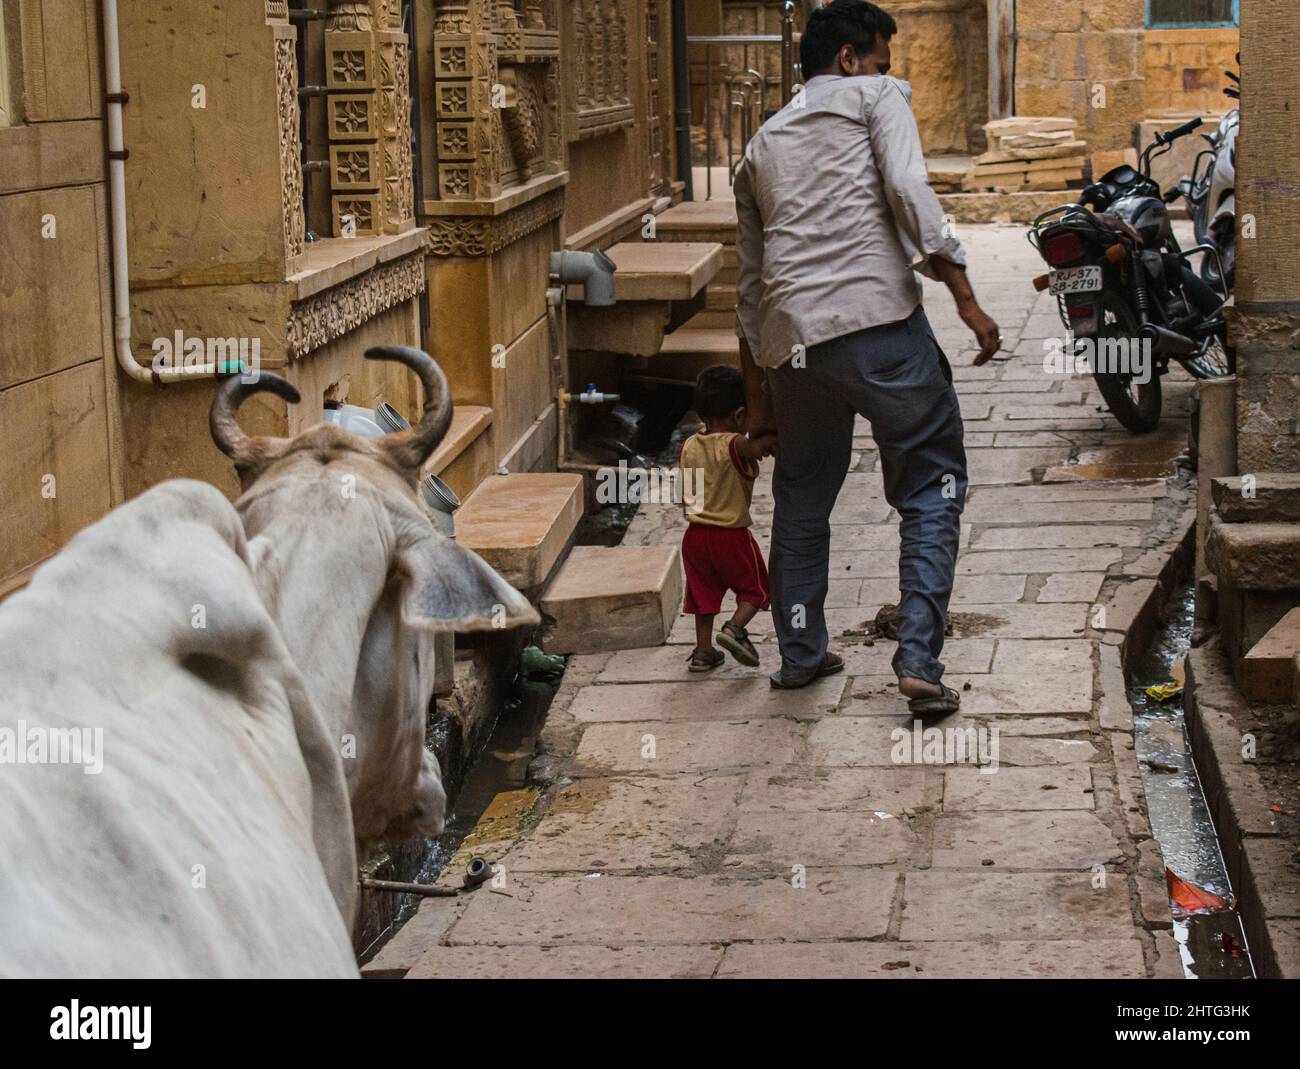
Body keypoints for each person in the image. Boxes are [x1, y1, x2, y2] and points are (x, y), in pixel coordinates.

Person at [733, 0, 1001, 710]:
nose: (891, 72)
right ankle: (917, 660)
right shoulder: (876, 96)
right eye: (884, 58)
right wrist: (966, 299)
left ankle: (799, 653)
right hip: (880, 327)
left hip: (793, 350)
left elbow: (749, 288)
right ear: (850, 59)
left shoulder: (761, 144)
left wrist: (759, 405)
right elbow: (911, 191)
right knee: (931, 481)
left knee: (801, 494)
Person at [678, 366, 776, 672]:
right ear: (738, 416)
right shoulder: (733, 444)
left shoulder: (690, 445)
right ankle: (734, 629)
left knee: (702, 596)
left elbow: (690, 498)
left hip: (695, 536)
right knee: (755, 590)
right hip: (730, 536)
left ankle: (702, 653)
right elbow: (755, 447)